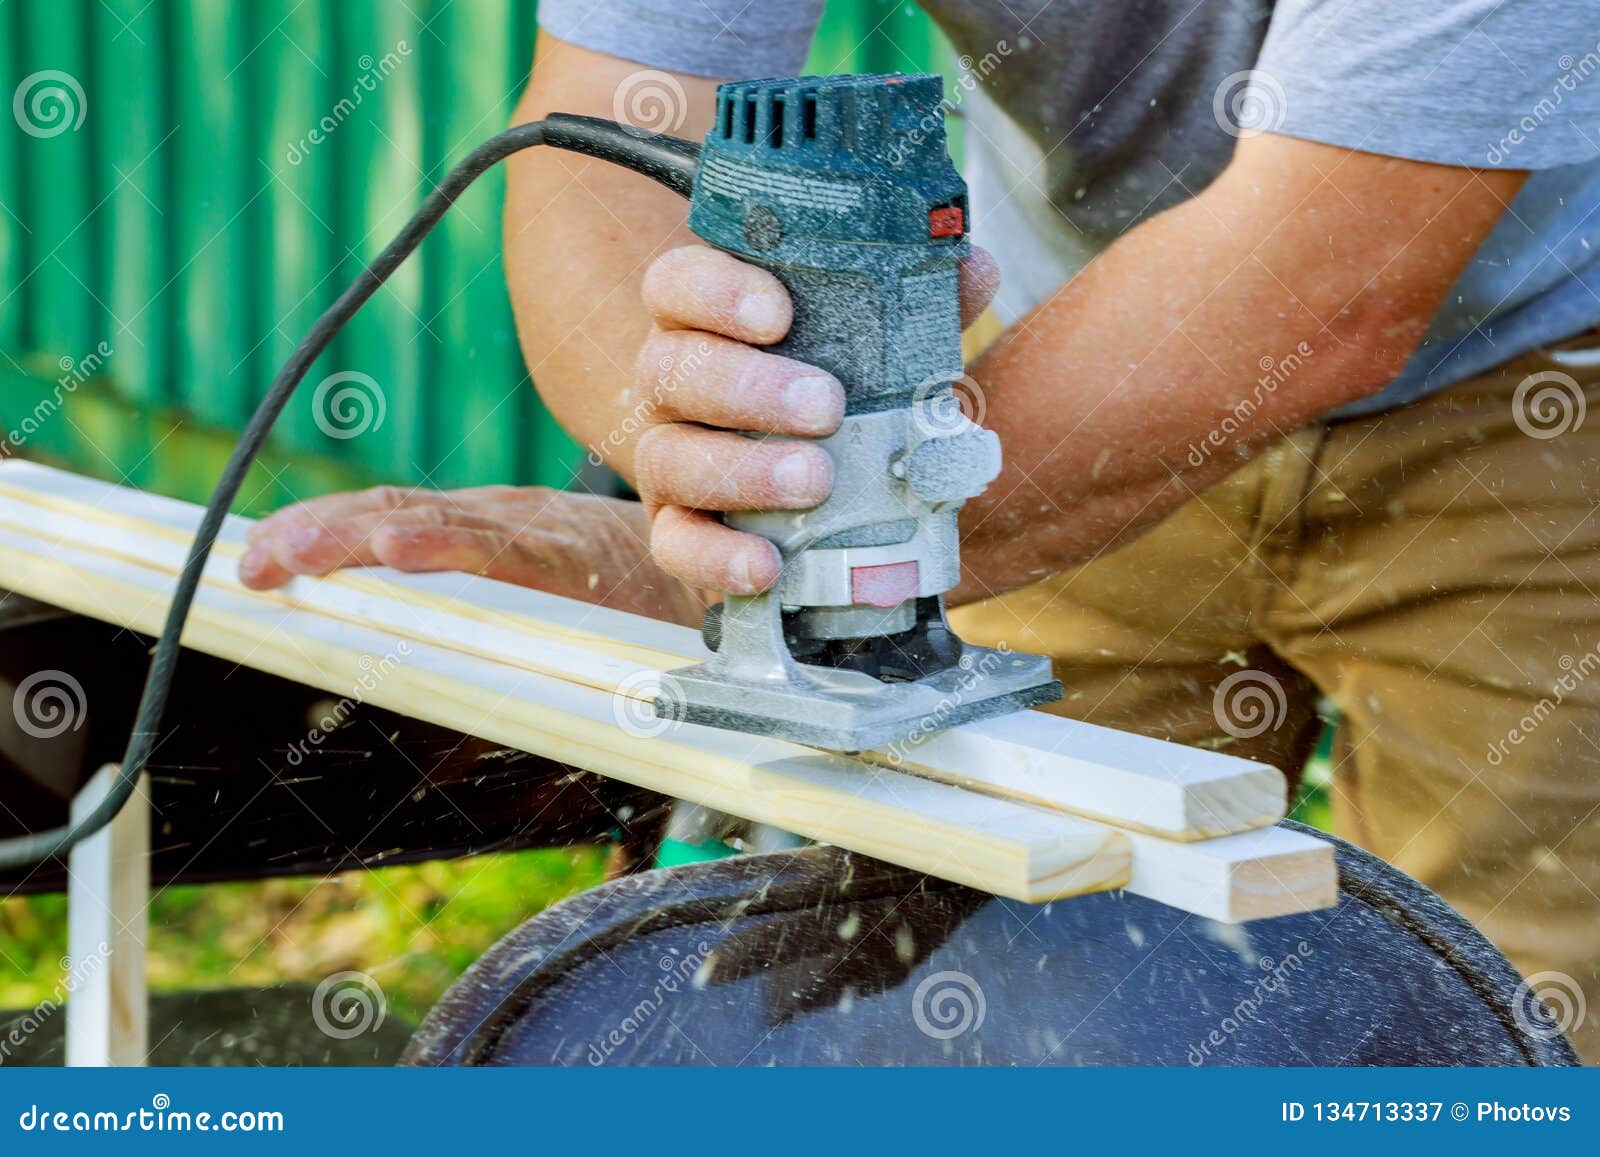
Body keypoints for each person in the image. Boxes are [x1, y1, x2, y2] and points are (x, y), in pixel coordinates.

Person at [239, 2, 1600, 1059]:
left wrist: (769, 555)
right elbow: (608, 125)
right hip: (1087, 352)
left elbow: (1335, 274)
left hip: (1541, 376)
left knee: (1520, 1030)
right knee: (983, 993)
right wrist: (701, 475)